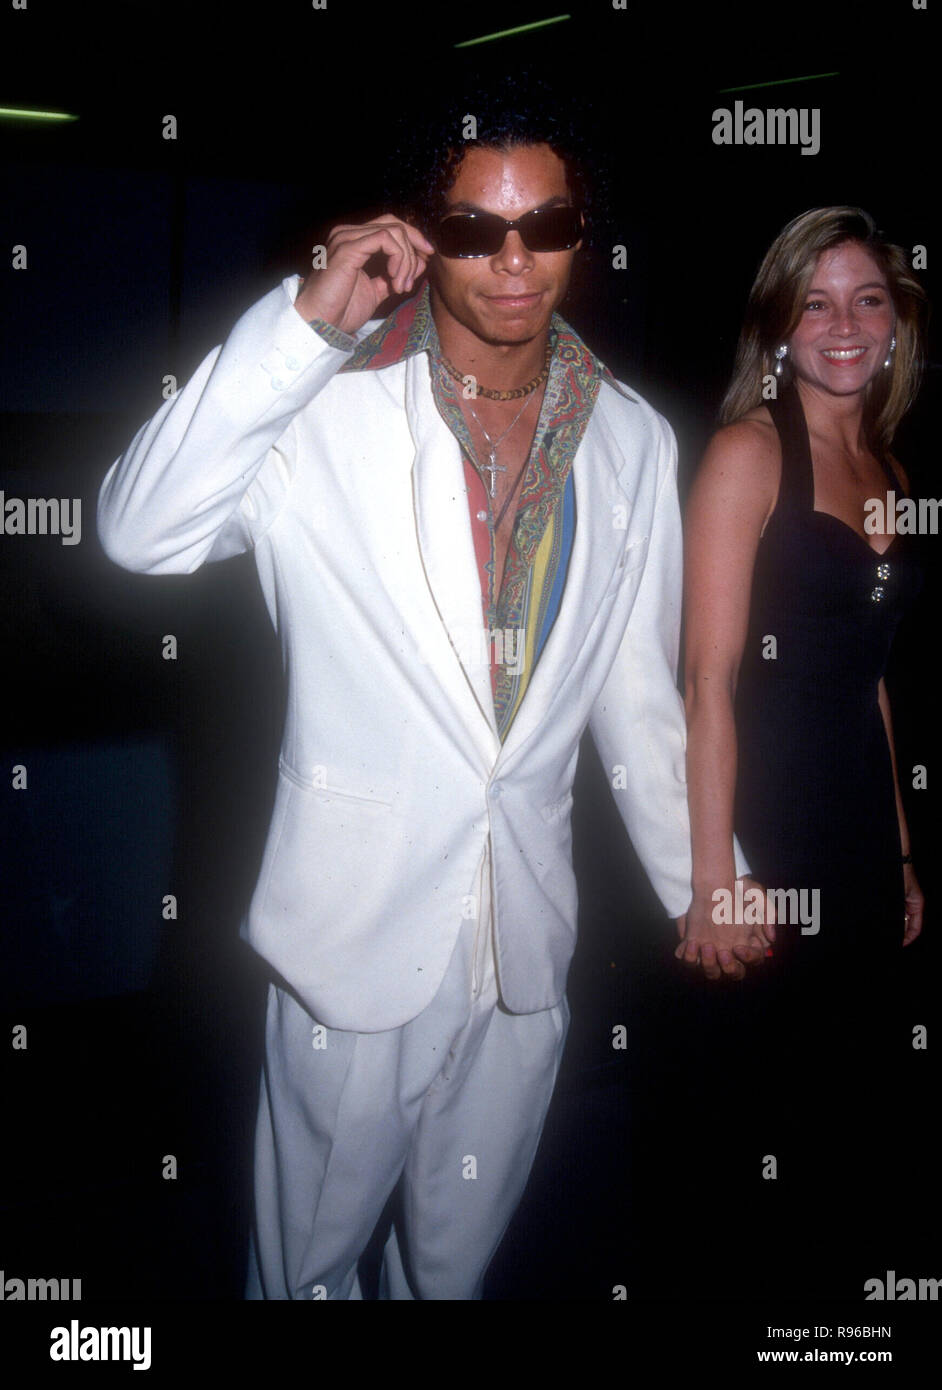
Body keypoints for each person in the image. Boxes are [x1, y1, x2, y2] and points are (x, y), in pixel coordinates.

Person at [96, 79, 746, 1300]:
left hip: (525, 941)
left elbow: (637, 700)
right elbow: (138, 536)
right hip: (352, 935)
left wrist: (712, 882)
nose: (514, 261)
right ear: (416, 234)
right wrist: (301, 325)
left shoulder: (633, 439)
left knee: (456, 1267)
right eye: (473, 229)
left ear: (580, 235)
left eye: (546, 227)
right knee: (304, 1268)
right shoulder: (320, 411)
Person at [680, 206, 928, 1293]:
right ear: (780, 324)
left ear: (896, 322)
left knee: (853, 1129)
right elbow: (707, 682)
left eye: (866, 298)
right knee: (758, 1143)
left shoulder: (895, 471)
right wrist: (711, 880)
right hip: (768, 839)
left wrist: (906, 855)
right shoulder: (747, 452)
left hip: (864, 843)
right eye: (817, 300)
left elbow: (874, 677)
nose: (844, 323)